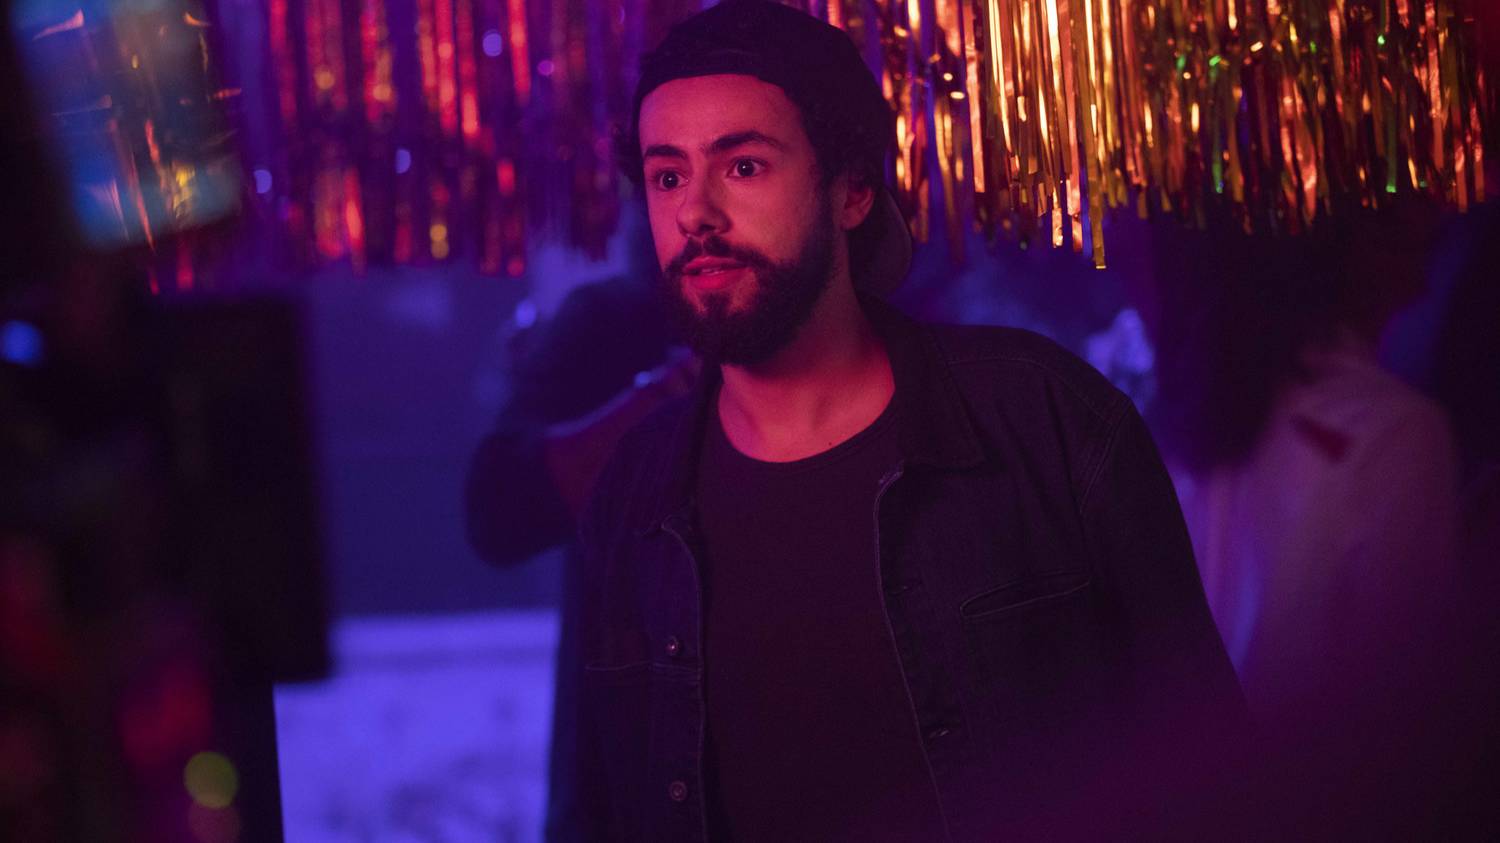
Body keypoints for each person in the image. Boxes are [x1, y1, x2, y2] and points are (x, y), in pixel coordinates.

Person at [568, 2, 1247, 839]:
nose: (695, 213)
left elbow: (1213, 773)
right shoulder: (631, 501)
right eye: (668, 176)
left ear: (852, 191)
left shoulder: (1047, 422)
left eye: (743, 166)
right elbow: (595, 812)